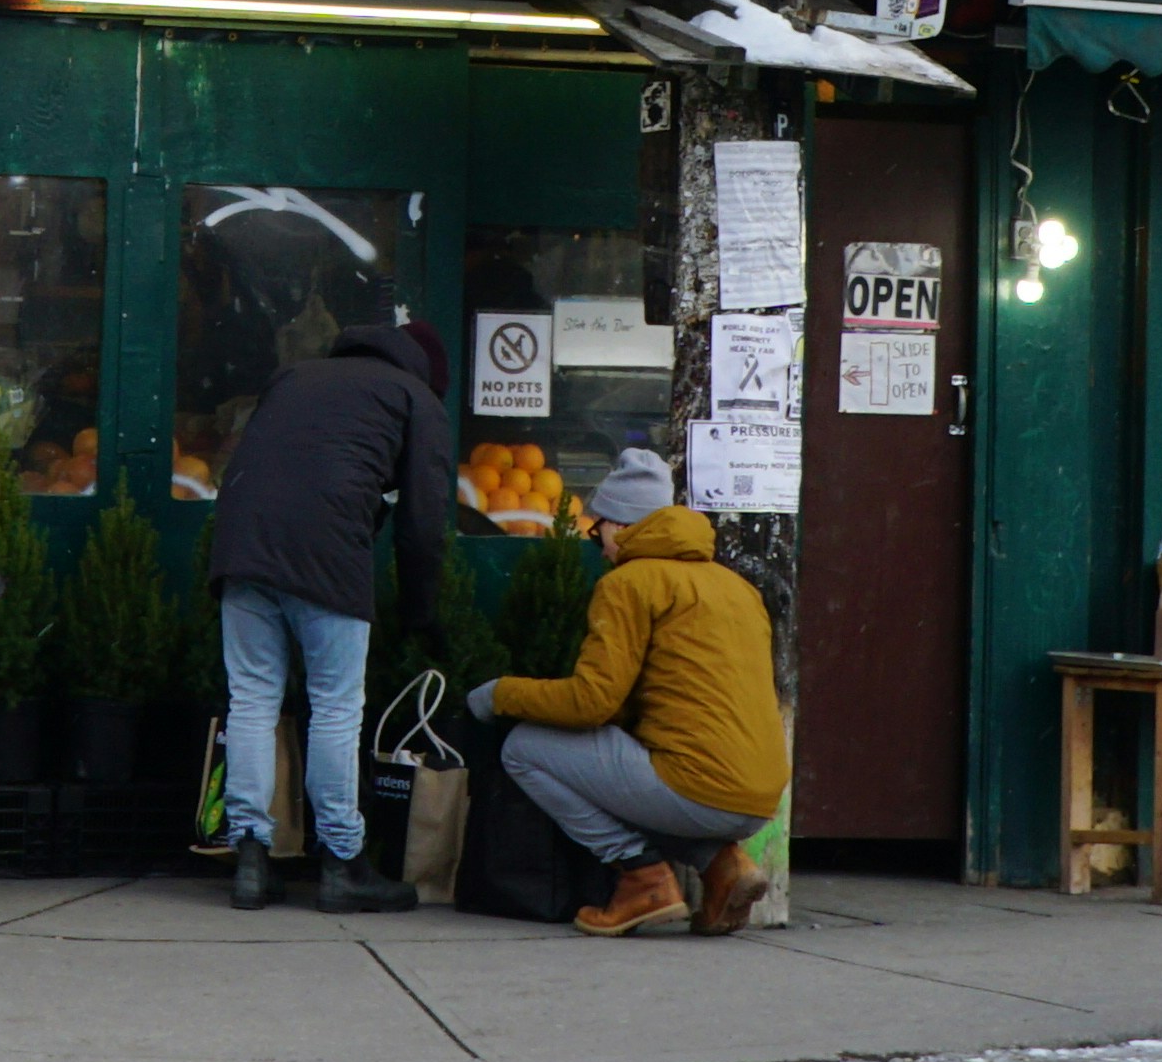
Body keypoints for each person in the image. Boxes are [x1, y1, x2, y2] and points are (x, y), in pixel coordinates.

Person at [201, 315, 461, 915]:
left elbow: (290, 466)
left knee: (252, 698)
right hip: (326, 553)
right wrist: (422, 611)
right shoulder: (414, 397)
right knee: (336, 706)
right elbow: (423, 523)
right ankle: (343, 863)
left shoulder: (296, 376)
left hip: (242, 544)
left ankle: (249, 857)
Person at [470, 446, 781, 936]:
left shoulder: (629, 583)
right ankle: (724, 867)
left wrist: (499, 694)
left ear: (619, 525)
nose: (599, 546)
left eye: (598, 532)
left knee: (525, 748)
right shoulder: (734, 586)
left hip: (696, 788)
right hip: (759, 794)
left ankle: (642, 881)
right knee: (631, 772)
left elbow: (592, 703)